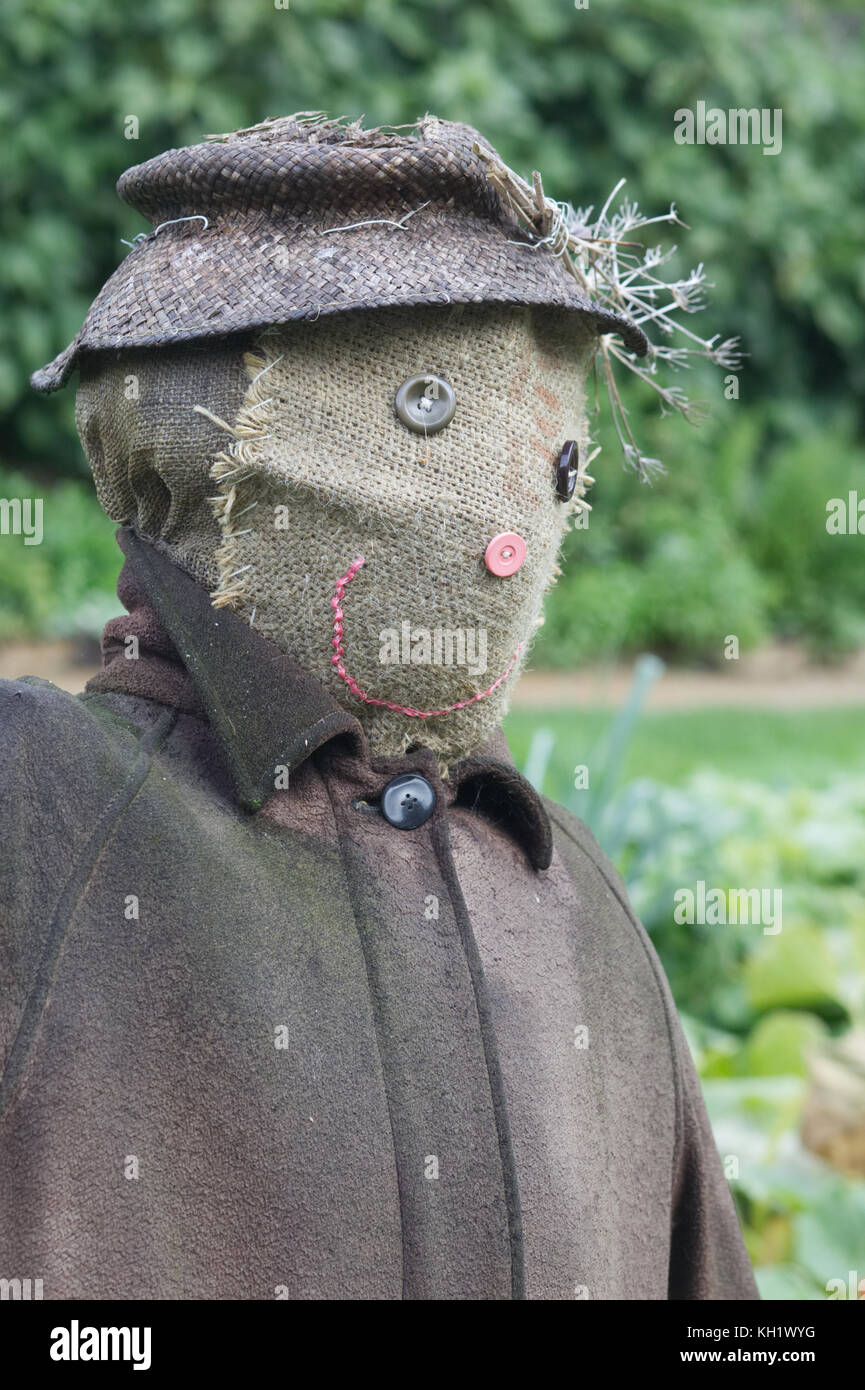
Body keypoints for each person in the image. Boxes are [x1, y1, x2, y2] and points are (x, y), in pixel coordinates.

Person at [0, 114, 758, 1300]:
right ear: (179, 433)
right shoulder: (35, 806)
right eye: (423, 411)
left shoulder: (577, 901)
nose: (507, 538)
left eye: (557, 463)